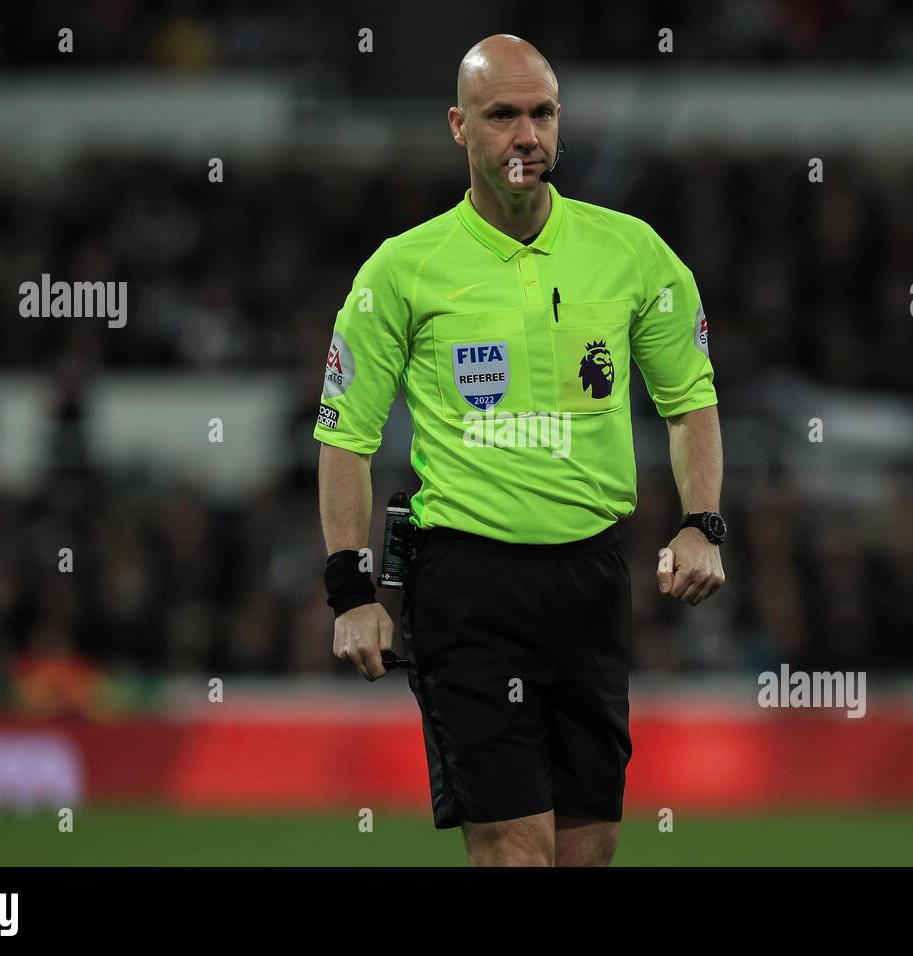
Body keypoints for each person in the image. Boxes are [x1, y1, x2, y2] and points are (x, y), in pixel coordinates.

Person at [315, 34, 725, 866]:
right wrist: (349, 588)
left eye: (541, 114)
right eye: (502, 116)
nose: (525, 136)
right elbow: (344, 437)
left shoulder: (633, 252)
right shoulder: (402, 269)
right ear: (459, 127)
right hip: (467, 585)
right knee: (515, 854)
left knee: (587, 853)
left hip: (590, 581)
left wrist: (702, 524)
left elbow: (691, 403)